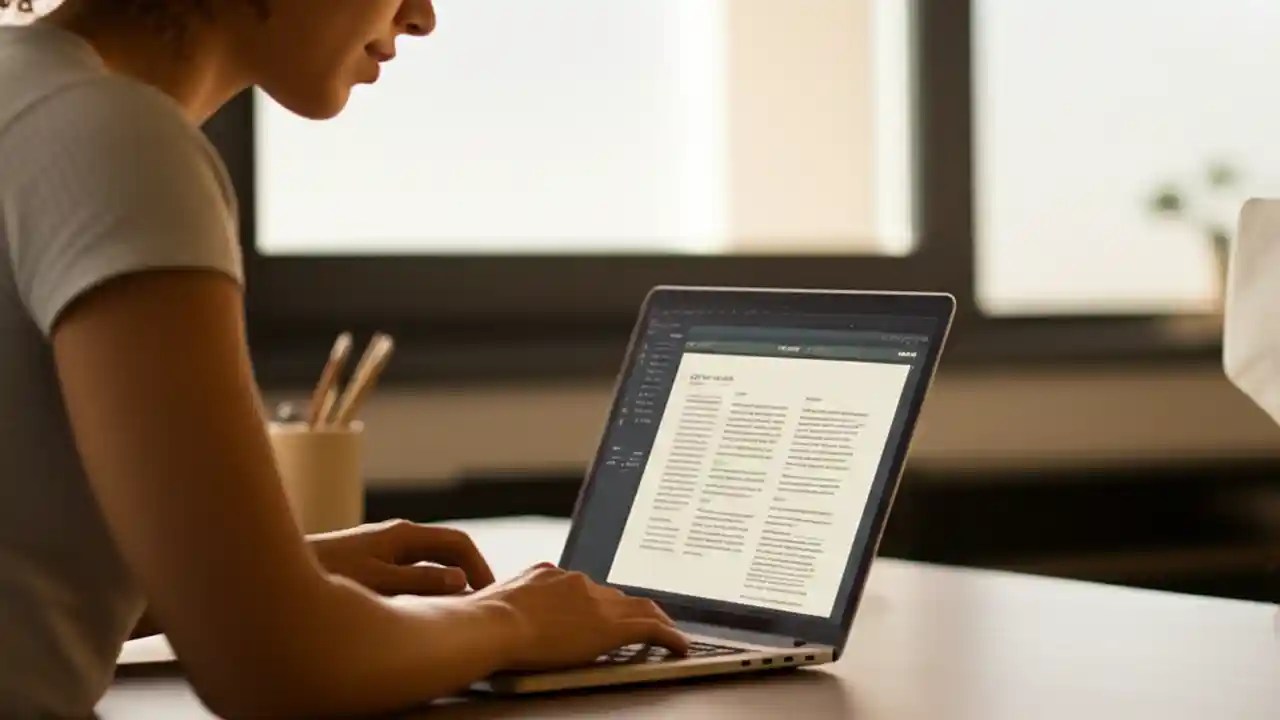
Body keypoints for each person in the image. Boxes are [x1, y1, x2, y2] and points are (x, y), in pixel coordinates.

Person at [0, 1, 688, 716]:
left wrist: (278, 577)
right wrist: (516, 621)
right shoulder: (113, 138)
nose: (422, 17)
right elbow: (278, 662)